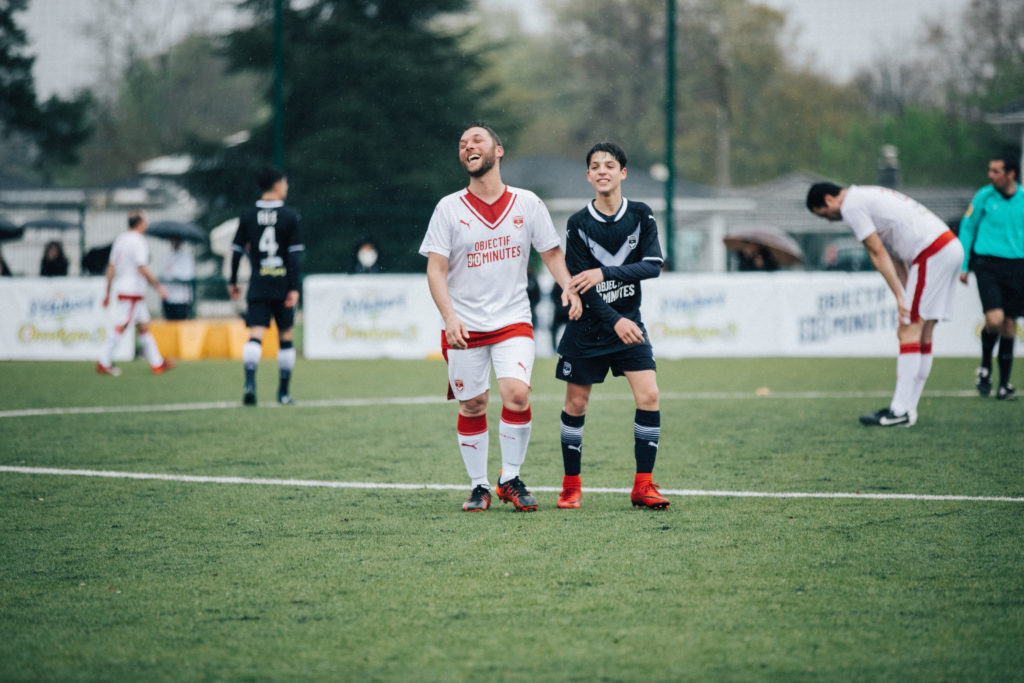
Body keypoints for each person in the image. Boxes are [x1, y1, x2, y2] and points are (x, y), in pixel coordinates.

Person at [419, 122, 580, 512]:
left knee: (517, 394)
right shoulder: (448, 208)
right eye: (462, 144)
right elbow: (435, 270)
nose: (467, 146)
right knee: (473, 405)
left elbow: (551, 252)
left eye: (476, 140)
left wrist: (568, 286)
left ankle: (509, 477)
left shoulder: (527, 203)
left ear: (498, 150)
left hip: (512, 320)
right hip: (465, 325)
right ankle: (478, 486)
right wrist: (450, 317)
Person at [554, 142, 670, 510]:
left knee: (649, 395)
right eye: (595, 166)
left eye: (610, 165)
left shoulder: (641, 214)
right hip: (587, 329)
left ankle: (643, 485)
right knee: (576, 403)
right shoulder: (577, 224)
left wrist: (605, 272)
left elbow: (653, 264)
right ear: (588, 176)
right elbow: (580, 289)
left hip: (628, 327)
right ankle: (571, 485)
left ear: (623, 173)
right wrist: (614, 319)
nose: (602, 170)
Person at [806, 182, 964, 426]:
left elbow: (876, 252)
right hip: (947, 247)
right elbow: (894, 254)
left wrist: (900, 298)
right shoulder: (863, 195)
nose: (829, 220)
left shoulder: (851, 206)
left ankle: (900, 411)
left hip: (932, 252)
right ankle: (907, 409)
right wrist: (904, 292)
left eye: (824, 214)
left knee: (908, 328)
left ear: (828, 200)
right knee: (923, 330)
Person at [229, 166, 304, 406]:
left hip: (259, 284)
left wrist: (232, 280)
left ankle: (250, 385)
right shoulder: (290, 216)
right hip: (282, 285)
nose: (287, 187)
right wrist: (293, 287)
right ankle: (283, 393)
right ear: (277, 184)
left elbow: (237, 250)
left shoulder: (248, 214)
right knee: (286, 338)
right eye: (285, 182)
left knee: (255, 336)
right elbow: (293, 257)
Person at [957, 153, 1024, 401]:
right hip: (988, 265)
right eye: (990, 170)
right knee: (994, 320)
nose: (991, 176)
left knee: (1009, 325)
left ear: (1010, 174)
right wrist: (963, 263)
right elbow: (967, 228)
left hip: (1017, 267)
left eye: (996, 171)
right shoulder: (984, 196)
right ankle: (985, 367)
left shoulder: (1023, 200)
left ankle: (1004, 384)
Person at [97, 210, 175, 376]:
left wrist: (107, 291)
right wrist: (158, 286)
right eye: (145, 221)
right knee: (122, 324)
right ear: (140, 223)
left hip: (126, 289)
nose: (147, 224)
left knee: (144, 326)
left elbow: (111, 267)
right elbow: (142, 267)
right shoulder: (138, 241)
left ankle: (157, 363)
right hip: (132, 291)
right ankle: (104, 361)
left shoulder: (121, 239)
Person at [161, 236, 194, 320]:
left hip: (181, 297)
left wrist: (173, 270)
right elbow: (164, 274)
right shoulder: (167, 256)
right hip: (169, 296)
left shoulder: (186, 257)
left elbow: (187, 274)